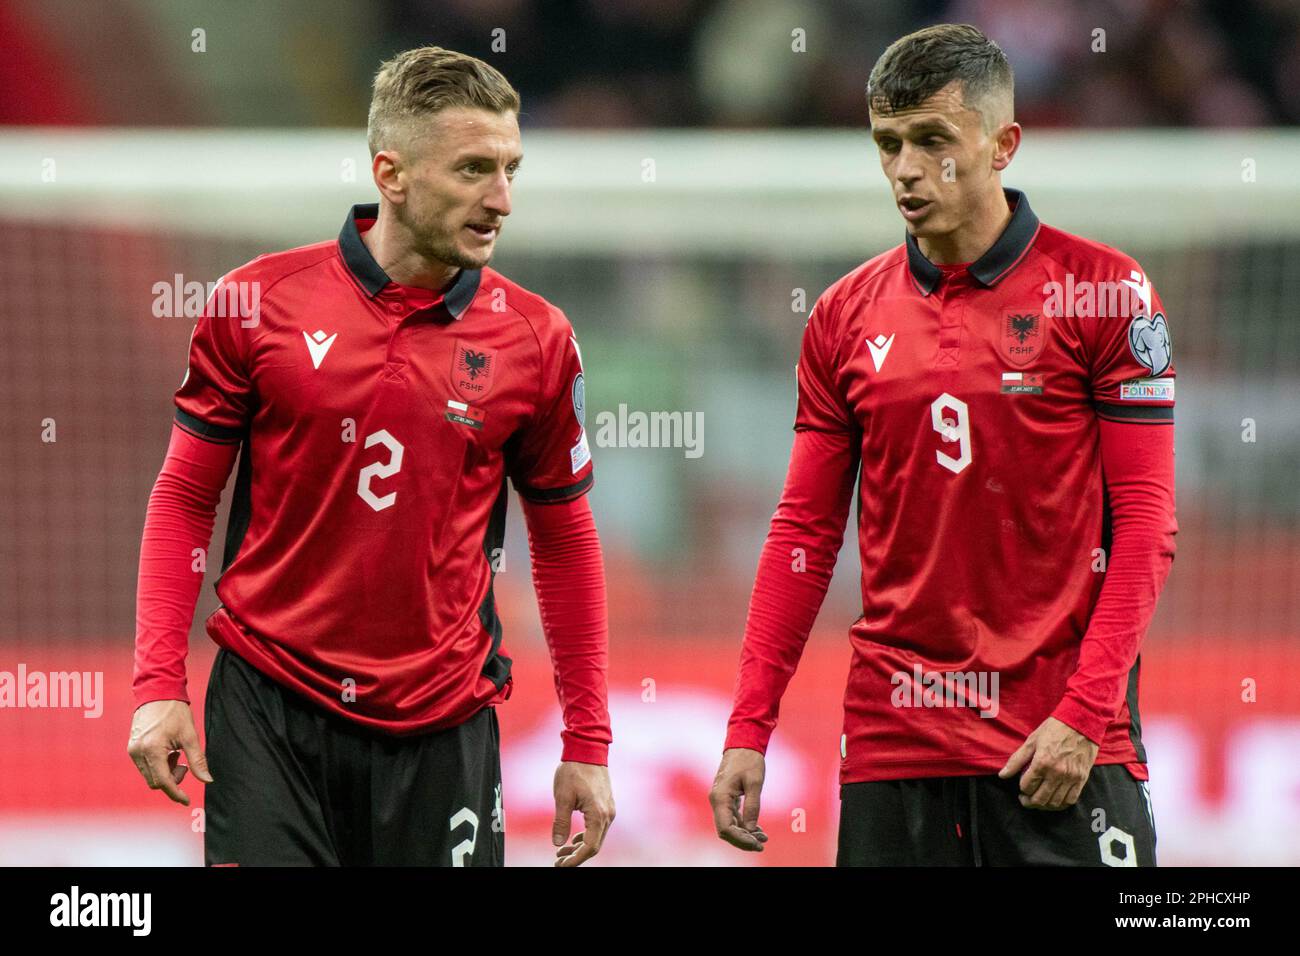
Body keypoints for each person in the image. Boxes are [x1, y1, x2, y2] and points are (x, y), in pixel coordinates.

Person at [128, 46, 614, 867]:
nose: (501, 199)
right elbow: (183, 496)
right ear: (390, 173)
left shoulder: (536, 339)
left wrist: (589, 741)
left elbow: (565, 541)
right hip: (268, 711)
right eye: (472, 169)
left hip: (442, 728)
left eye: (510, 169)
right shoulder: (257, 305)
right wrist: (155, 688)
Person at [709, 24, 1176, 866]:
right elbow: (804, 536)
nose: (905, 170)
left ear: (1003, 146)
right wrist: (750, 725)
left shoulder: (1107, 292)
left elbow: (1144, 522)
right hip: (897, 747)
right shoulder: (843, 317)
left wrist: (1084, 713)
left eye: (933, 141)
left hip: (1059, 749)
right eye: (888, 144)